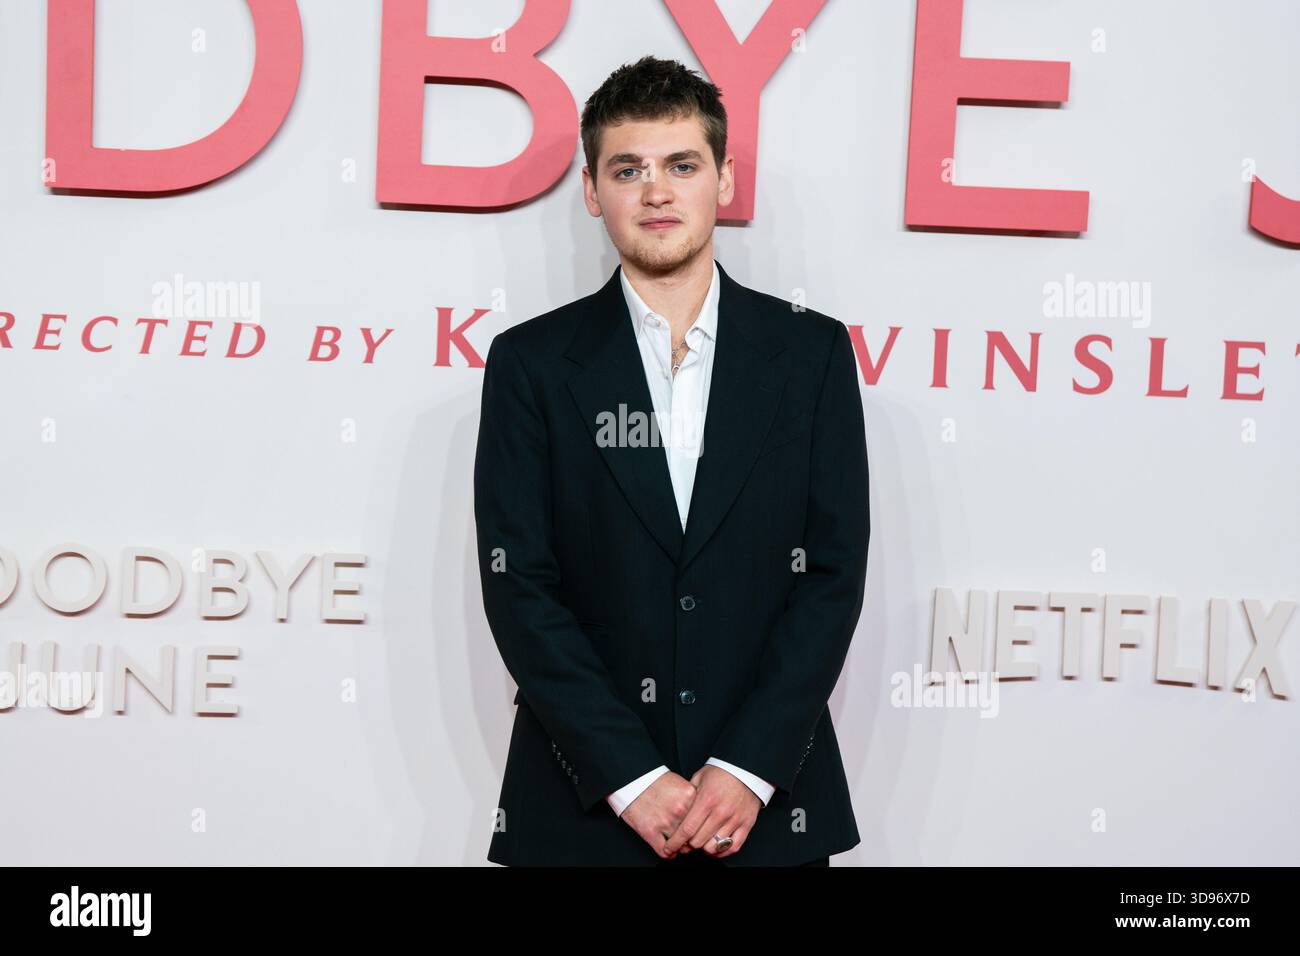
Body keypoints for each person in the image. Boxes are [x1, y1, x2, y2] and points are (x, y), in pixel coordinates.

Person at [474, 55, 870, 866]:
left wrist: (749, 766)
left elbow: (833, 575)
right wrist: (628, 774)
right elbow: (520, 586)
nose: (656, 190)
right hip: (581, 814)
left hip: (768, 817)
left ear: (723, 179)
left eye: (681, 164)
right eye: (629, 169)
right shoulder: (531, 363)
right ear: (592, 192)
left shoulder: (812, 353)